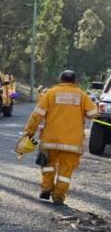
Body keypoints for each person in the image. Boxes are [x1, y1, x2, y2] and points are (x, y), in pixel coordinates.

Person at [21, 69, 97, 206]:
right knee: (65, 172)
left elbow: (37, 114)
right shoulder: (82, 95)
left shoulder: (51, 93)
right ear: (75, 82)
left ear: (60, 80)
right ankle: (58, 197)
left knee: (48, 165)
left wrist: (29, 131)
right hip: (72, 143)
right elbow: (93, 114)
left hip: (51, 139)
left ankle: (47, 188)